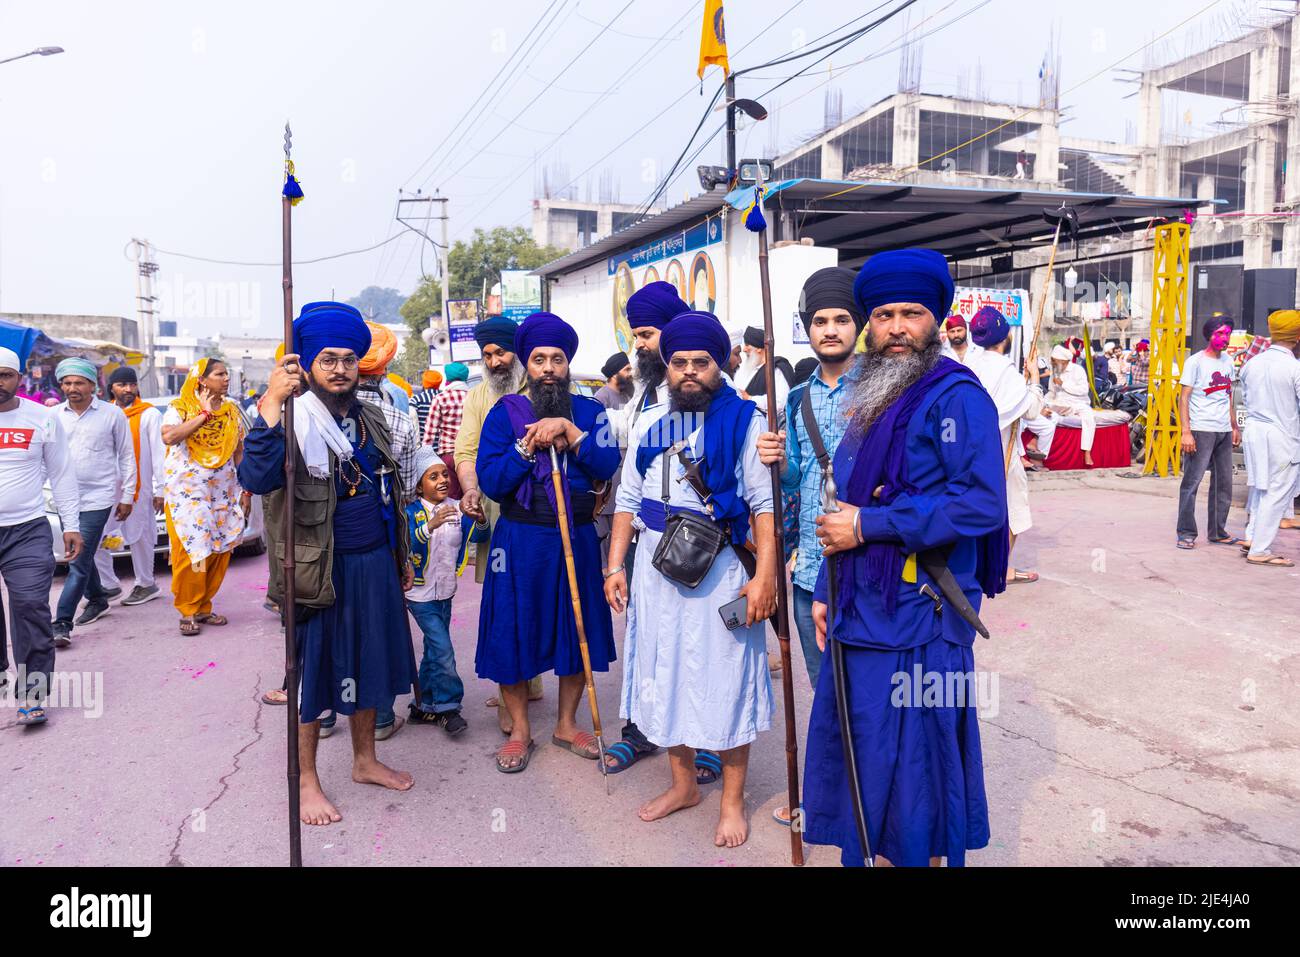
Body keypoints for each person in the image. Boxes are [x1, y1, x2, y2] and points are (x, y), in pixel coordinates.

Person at [802, 248, 1008, 867]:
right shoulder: (873, 395)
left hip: (923, 612)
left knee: (919, 763)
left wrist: (872, 526)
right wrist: (821, 585)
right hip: (859, 606)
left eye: (910, 314)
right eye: (884, 314)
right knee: (866, 748)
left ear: (936, 319)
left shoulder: (956, 397)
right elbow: (845, 502)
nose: (895, 328)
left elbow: (979, 503)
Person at [239, 301, 417, 825]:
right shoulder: (286, 417)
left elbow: (394, 490)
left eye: (347, 359)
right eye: (327, 359)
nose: (340, 369)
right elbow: (256, 477)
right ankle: (307, 780)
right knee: (314, 677)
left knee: (371, 664)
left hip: (375, 563)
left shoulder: (374, 417)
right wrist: (272, 401)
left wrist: (400, 555)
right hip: (317, 571)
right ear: (307, 365)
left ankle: (365, 761)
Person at [604, 311, 776, 847]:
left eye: (700, 363)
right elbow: (626, 502)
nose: (689, 373)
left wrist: (765, 576)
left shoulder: (745, 422)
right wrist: (614, 565)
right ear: (666, 367)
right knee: (667, 675)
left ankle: (730, 800)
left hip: (721, 571)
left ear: (720, 364)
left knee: (726, 679)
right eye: (679, 363)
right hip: (656, 572)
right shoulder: (652, 425)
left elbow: (764, 506)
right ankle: (683, 786)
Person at [473, 312, 621, 773]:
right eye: (539, 360)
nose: (549, 368)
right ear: (527, 365)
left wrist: (571, 433)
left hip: (575, 535)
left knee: (576, 631)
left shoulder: (592, 412)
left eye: (557, 359)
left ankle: (565, 723)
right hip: (520, 539)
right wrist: (526, 447)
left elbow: (606, 463)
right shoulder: (505, 414)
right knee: (513, 631)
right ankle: (519, 730)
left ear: (568, 364)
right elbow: (492, 481)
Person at [757, 267, 863, 691]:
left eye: (841, 320)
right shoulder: (797, 397)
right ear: (808, 330)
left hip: (865, 562)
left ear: (859, 324)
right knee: (824, 688)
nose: (830, 331)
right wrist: (779, 462)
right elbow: (794, 480)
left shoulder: (882, 389)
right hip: (809, 570)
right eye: (820, 322)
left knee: (866, 690)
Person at [452, 318, 544, 731]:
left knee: (541, 594)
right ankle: (515, 689)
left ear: (519, 352)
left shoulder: (545, 385)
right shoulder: (478, 396)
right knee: (505, 599)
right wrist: (470, 489)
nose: (494, 360)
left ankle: (533, 677)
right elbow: (465, 451)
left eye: (500, 352)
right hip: (496, 513)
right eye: (487, 354)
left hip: (543, 514)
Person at [0, 348, 82, 725]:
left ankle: (31, 694)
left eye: (4, 375)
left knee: (30, 605)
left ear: (19, 378)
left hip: (27, 529)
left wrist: (71, 524)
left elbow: (62, 473)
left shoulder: (43, 418)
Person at [51, 357, 136, 646]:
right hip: (65, 496)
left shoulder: (112, 415)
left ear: (93, 385)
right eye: (67, 382)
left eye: (78, 382)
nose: (71, 387)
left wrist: (127, 495)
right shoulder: (52, 416)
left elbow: (126, 456)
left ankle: (61, 622)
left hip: (99, 496)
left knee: (77, 557)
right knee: (81, 555)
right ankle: (98, 597)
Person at [160, 358, 247, 636]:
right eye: (220, 374)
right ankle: (188, 608)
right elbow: (170, 437)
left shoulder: (232, 409)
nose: (226, 379)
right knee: (195, 550)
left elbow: (239, 450)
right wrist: (204, 415)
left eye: (226, 374)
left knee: (221, 549)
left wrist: (246, 489)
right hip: (189, 493)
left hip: (223, 491)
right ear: (202, 380)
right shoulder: (180, 408)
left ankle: (204, 606)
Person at [405, 446, 486, 734]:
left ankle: (424, 705)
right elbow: (407, 547)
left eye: (443, 475)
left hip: (446, 592)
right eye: (432, 477)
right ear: (418, 485)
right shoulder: (411, 512)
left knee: (432, 648)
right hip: (419, 595)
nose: (442, 481)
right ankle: (449, 706)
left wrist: (477, 518)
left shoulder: (455, 507)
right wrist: (429, 526)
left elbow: (478, 535)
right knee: (442, 648)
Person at [966, 306, 1043, 583]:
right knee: (1013, 510)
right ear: (1004, 337)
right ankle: (1000, 568)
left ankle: (973, 567)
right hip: (999, 453)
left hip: (968, 454)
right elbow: (1032, 411)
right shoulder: (1006, 371)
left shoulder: (968, 365)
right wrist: (1033, 378)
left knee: (974, 509)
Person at [94, 366, 166, 606]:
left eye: (132, 384)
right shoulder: (105, 414)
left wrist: (160, 489)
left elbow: (158, 454)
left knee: (139, 535)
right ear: (111, 388)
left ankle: (146, 583)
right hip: (106, 489)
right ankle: (109, 584)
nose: (128, 389)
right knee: (97, 535)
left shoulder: (149, 414)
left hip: (139, 488)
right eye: (122, 384)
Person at [1239, 309, 1300, 567]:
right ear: (1297, 337)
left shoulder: (1251, 364)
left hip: (1253, 432)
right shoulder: (1294, 367)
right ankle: (1261, 549)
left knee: (1260, 489)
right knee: (1278, 493)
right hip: (1281, 436)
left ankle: (1253, 537)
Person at [1175, 318, 1241, 550]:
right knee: (1192, 482)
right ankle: (1186, 532)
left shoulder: (1228, 362)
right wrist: (1186, 431)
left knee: (1224, 484)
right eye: (1221, 333)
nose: (1226, 337)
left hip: (1223, 429)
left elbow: (1228, 395)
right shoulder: (1195, 362)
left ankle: (1218, 531)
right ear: (1209, 335)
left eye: (1228, 333)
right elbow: (1184, 397)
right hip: (1201, 429)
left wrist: (1234, 426)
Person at [1046, 343, 1097, 467]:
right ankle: (1040, 452)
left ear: (1063, 361)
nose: (1053, 364)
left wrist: (1063, 384)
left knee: (1089, 417)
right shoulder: (1054, 372)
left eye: (1055, 362)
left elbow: (1084, 390)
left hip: (1078, 403)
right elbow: (1051, 392)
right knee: (1045, 411)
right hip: (1060, 404)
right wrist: (1043, 402)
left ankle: (1087, 452)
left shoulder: (1077, 370)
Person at [736, 325, 792, 409]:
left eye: (747, 345)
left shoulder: (775, 370)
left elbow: (780, 403)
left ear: (758, 348)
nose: (744, 349)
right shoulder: (749, 370)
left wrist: (749, 398)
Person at [423, 361, 469, 458]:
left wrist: (425, 457)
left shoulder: (440, 398)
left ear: (448, 377)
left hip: (448, 454)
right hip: (470, 454)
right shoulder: (474, 397)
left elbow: (430, 432)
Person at [411, 369, 442, 440]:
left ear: (424, 382)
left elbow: (412, 424)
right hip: (442, 445)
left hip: (423, 445)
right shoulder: (445, 398)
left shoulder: (416, 400)